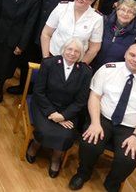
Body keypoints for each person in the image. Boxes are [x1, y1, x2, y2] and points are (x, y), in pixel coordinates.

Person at [69, 43, 136, 191]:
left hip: (130, 128)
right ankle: (83, 173)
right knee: (89, 144)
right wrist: (94, 122)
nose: (135, 60)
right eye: (132, 55)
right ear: (125, 54)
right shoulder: (108, 70)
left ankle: (112, 183)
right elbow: (94, 97)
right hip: (102, 119)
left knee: (129, 159)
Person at [26, 39, 92, 178]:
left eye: (76, 51)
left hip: (68, 111)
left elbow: (80, 101)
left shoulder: (85, 72)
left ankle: (56, 157)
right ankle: (35, 145)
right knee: (44, 130)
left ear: (81, 54)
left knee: (67, 135)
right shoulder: (49, 63)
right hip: (44, 105)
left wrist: (63, 116)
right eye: (69, 49)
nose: (72, 53)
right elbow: (39, 92)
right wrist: (52, 113)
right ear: (63, 49)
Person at [40, 0, 104, 64]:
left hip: (76, 62)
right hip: (53, 56)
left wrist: (80, 67)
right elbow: (46, 33)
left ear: (92, 1)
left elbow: (94, 48)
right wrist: (46, 58)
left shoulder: (97, 18)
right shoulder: (62, 7)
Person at [94, 0, 136, 69]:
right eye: (122, 10)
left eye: (130, 12)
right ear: (117, 10)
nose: (125, 14)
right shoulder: (104, 22)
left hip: (115, 71)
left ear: (134, 15)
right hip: (92, 65)